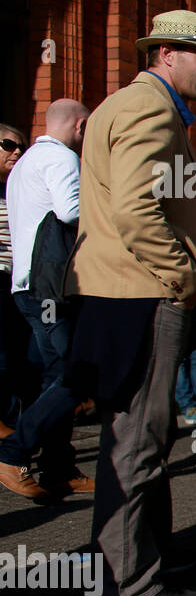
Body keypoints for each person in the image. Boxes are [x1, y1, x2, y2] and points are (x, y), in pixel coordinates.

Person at [66, 10, 196, 596]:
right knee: (137, 440)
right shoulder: (151, 108)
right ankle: (127, 589)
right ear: (166, 53)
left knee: (139, 435)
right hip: (141, 293)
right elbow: (140, 211)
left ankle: (142, 558)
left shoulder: (131, 103)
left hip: (121, 291)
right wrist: (180, 277)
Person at [0, 99, 93, 502]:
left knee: (58, 375)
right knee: (75, 375)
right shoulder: (60, 158)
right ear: (80, 125)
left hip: (30, 286)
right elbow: (72, 211)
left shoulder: (26, 163)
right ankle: (14, 451)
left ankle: (59, 468)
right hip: (48, 287)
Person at [0, 122, 33, 435]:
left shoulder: (18, 186)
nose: (17, 151)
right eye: (8, 145)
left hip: (18, 282)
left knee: (17, 356)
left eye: (21, 146)